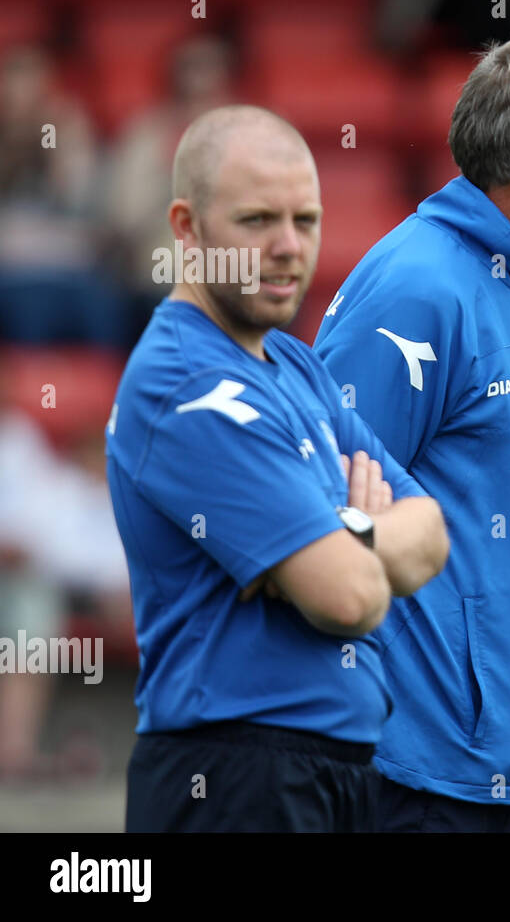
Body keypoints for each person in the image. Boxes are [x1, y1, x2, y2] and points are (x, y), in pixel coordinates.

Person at [314, 35, 510, 832]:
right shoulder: (421, 288)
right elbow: (321, 502)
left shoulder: (491, 280)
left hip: (473, 762)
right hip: (413, 767)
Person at [106, 105, 449, 832]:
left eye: (306, 219)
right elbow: (348, 598)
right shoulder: (185, 383)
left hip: (336, 769)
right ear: (186, 228)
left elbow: (431, 533)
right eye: (258, 221)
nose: (290, 247)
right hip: (234, 779)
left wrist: (338, 528)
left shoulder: (295, 365)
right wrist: (358, 536)